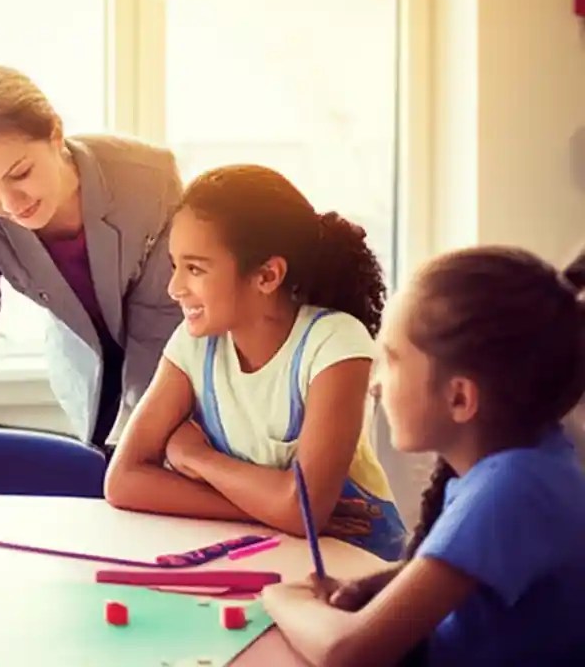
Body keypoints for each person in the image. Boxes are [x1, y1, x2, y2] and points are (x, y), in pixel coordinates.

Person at [262, 246, 585, 666]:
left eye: (392, 360)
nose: (376, 385)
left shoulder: (512, 489)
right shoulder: (537, 458)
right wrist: (377, 587)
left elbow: (349, 653)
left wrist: (282, 598)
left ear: (459, 397)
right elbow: (477, 574)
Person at [0, 64, 184, 537]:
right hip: (86, 368)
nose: (10, 204)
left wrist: (150, 452)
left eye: (20, 173)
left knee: (146, 494)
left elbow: (159, 320)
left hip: (164, 356)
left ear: (55, 133)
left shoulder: (147, 178)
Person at [104, 165, 406, 560]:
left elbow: (303, 510)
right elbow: (123, 482)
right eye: (175, 265)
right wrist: (270, 510)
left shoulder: (334, 342)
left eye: (194, 268)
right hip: (266, 548)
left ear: (267, 275)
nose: (174, 288)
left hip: (357, 562)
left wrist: (197, 457)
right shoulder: (195, 345)